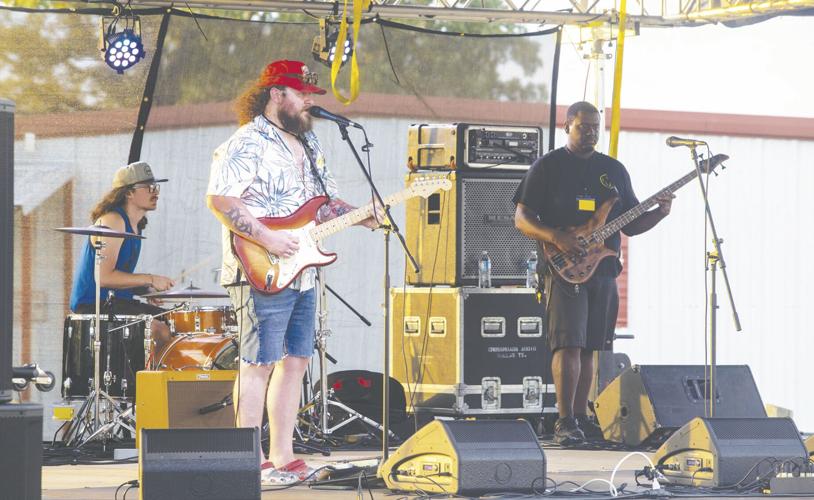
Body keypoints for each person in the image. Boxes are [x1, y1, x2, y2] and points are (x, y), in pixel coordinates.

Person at [206, 59, 381, 484]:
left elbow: (324, 205)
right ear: (276, 94)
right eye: (301, 94)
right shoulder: (247, 142)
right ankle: (250, 458)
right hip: (259, 267)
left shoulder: (312, 144)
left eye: (310, 96)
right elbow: (222, 200)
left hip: (302, 269)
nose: (308, 102)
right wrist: (268, 239)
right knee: (258, 362)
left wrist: (361, 215)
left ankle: (283, 455)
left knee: (297, 361)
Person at [513, 101, 674, 445]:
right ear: (567, 126)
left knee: (591, 347)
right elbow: (522, 218)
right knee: (568, 343)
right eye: (583, 126)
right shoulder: (548, 166)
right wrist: (557, 237)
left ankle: (583, 418)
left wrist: (659, 213)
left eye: (595, 127)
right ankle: (564, 420)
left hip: (602, 269)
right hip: (563, 269)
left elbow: (631, 224)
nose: (590, 132)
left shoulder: (612, 170)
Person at [69, 161, 175, 353]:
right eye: (148, 187)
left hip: (116, 301)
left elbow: (118, 276)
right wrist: (150, 278)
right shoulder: (113, 221)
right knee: (160, 330)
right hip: (94, 305)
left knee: (176, 321)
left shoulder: (137, 224)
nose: (155, 192)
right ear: (128, 193)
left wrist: (145, 289)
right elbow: (105, 278)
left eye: (155, 186)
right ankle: (149, 381)